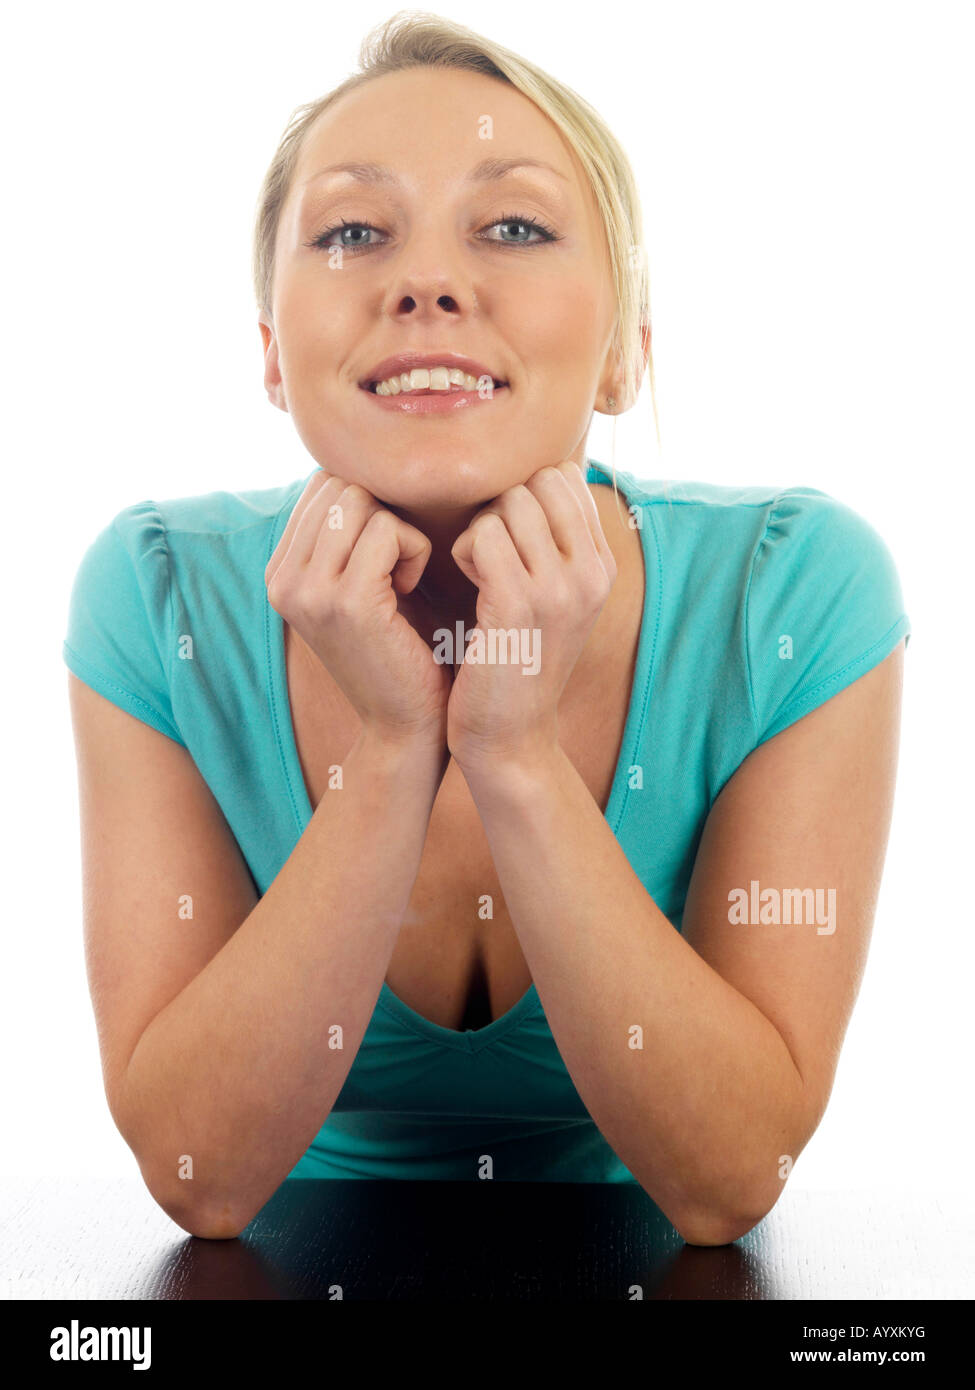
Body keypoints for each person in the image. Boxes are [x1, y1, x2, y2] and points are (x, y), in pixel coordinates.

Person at [62, 13, 911, 1246]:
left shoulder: (794, 593)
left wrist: (512, 752)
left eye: (512, 226)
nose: (426, 281)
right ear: (271, 358)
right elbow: (203, 1178)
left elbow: (730, 1182)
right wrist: (398, 742)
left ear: (625, 351)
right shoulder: (154, 597)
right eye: (354, 230)